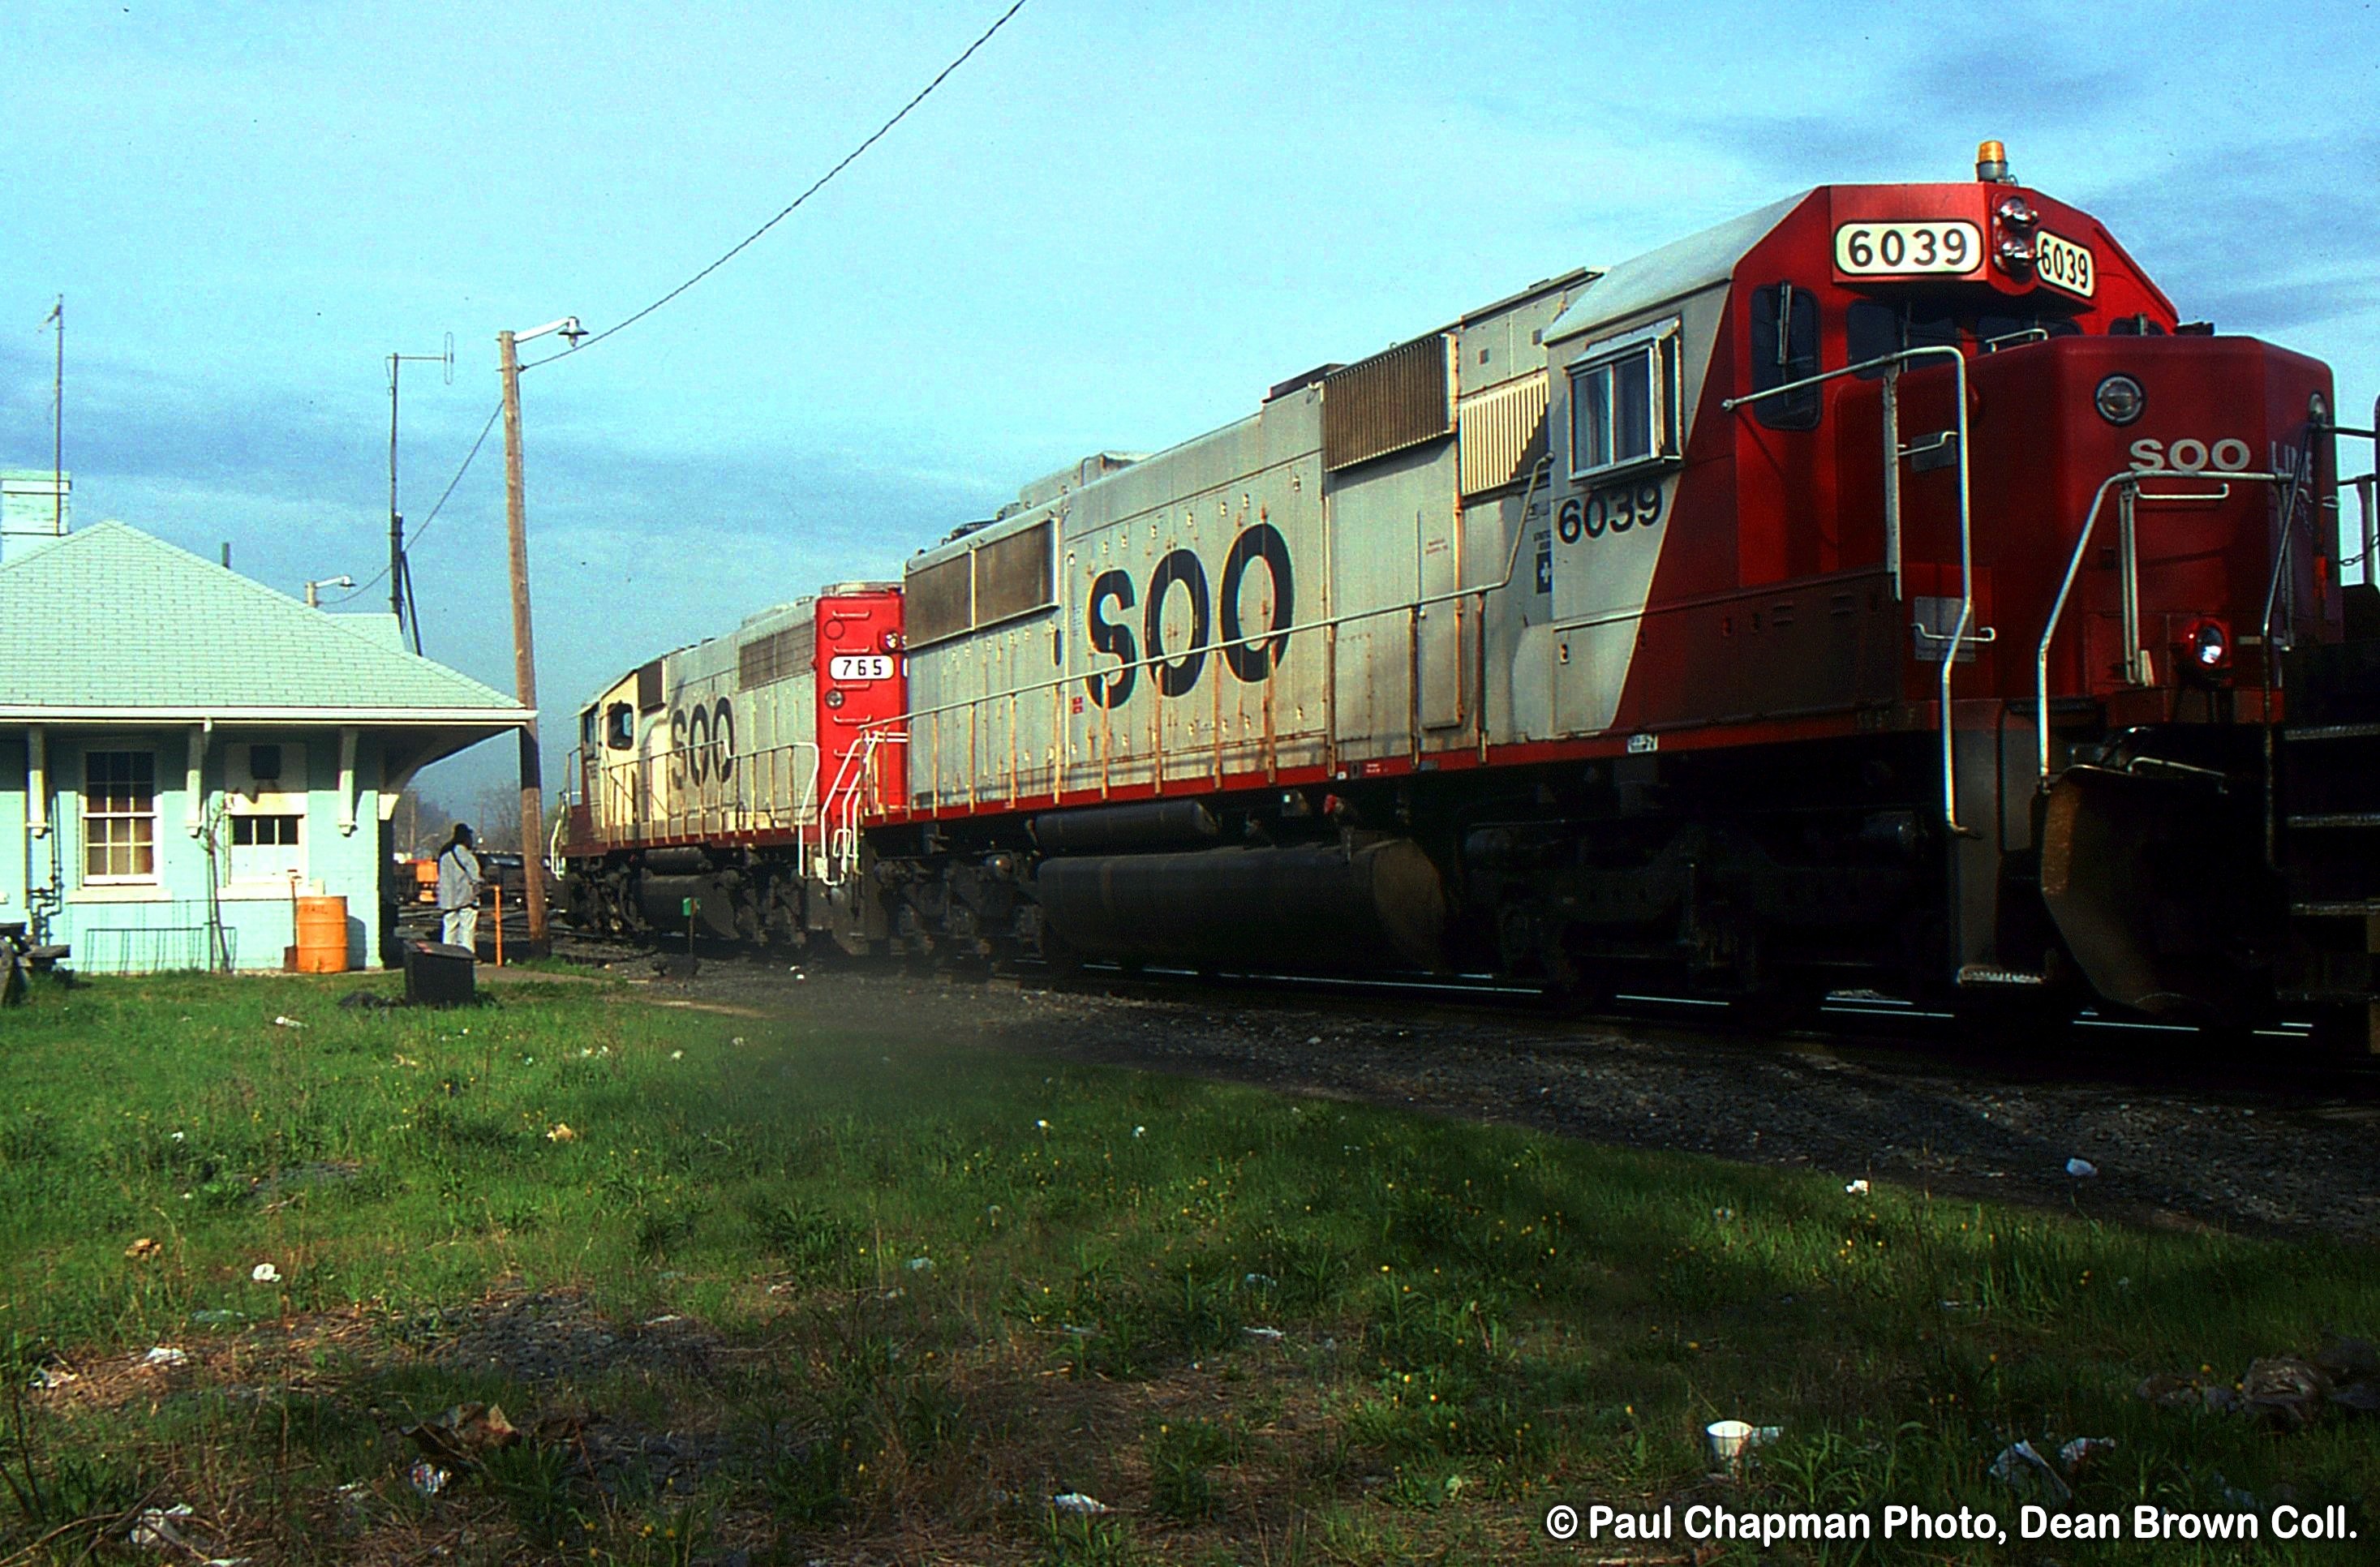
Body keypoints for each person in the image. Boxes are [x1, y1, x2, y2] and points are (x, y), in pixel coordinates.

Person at [436, 824, 484, 955]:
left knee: (449, 927)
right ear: (465, 838)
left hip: (448, 898)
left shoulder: (445, 855)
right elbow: (475, 877)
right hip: (465, 897)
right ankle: (467, 954)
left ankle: (448, 954)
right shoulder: (467, 856)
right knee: (467, 927)